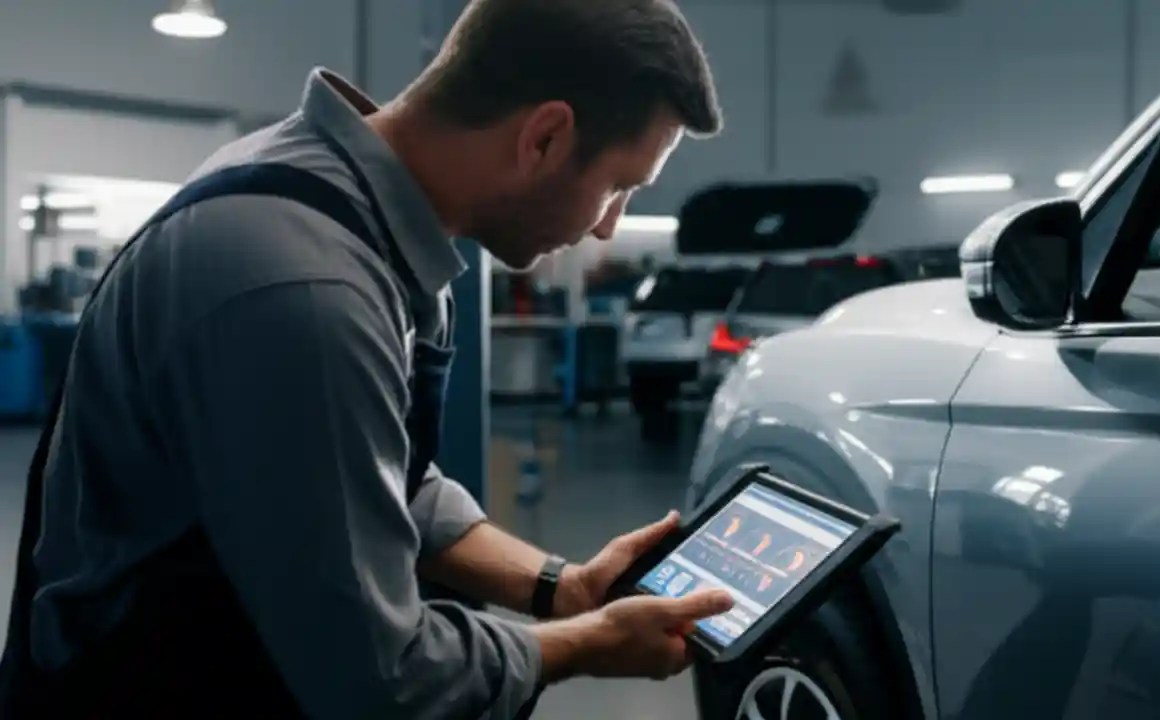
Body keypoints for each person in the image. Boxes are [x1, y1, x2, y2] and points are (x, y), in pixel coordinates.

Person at [0, 0, 733, 717]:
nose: (607, 228)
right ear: (543, 138)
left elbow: (371, 472)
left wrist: (562, 588)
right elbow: (379, 681)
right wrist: (585, 645)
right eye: (619, 187)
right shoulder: (308, 287)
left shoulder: (335, 198)